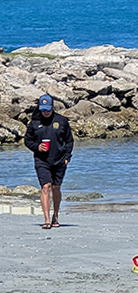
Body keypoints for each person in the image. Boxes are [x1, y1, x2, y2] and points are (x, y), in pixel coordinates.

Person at [24, 93, 74, 229]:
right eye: (43, 109)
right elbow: (27, 140)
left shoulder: (62, 121)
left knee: (56, 188)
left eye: (48, 109)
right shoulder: (34, 123)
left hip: (59, 160)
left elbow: (69, 141)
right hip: (41, 160)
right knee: (45, 186)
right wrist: (37, 147)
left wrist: (67, 158)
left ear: (52, 107)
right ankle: (46, 219)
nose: (45, 112)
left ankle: (55, 216)